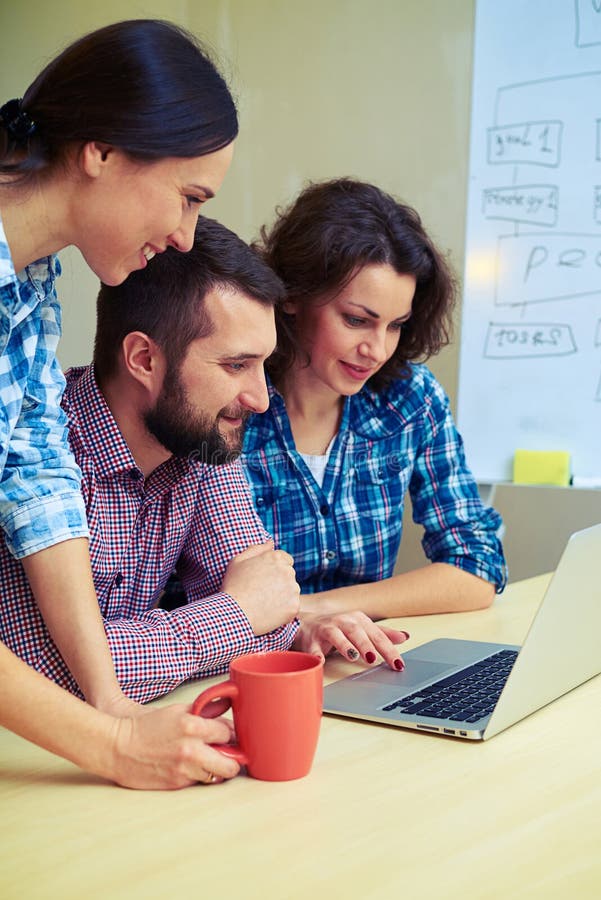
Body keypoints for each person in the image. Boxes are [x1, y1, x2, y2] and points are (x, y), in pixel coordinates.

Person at [0, 217, 409, 706]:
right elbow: (40, 679)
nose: (261, 399)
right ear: (144, 359)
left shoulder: (201, 441)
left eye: (263, 364)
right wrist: (235, 613)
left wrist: (290, 626)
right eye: (236, 365)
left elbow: (274, 612)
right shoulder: (29, 453)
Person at [0, 19, 242, 788]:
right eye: (188, 197)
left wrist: (112, 705)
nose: (186, 236)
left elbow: (40, 486)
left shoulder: (30, 282)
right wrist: (108, 746)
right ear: (100, 151)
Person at [242, 178, 507, 623]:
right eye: (356, 320)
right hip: (249, 660)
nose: (377, 350)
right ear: (293, 295)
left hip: (364, 655)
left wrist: (317, 610)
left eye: (395, 325)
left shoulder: (410, 399)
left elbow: (477, 565)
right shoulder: (229, 404)